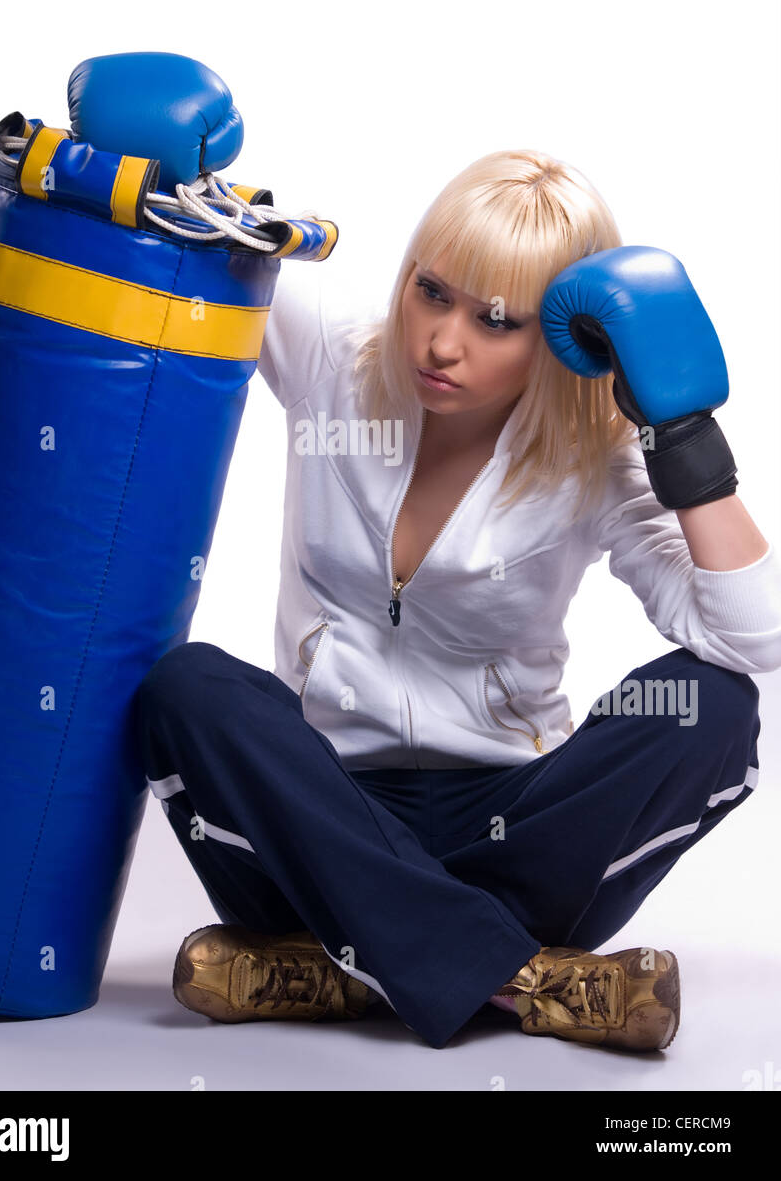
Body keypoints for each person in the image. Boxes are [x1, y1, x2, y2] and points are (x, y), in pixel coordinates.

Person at [134, 149, 780, 1051]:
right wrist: (144, 165)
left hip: (512, 830)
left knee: (706, 704)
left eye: (496, 320)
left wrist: (682, 435)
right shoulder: (333, 353)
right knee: (190, 687)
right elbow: (191, 252)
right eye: (431, 292)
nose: (442, 343)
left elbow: (751, 638)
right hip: (319, 813)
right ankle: (519, 980)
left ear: (563, 336)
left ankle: (348, 964)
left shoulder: (594, 457)